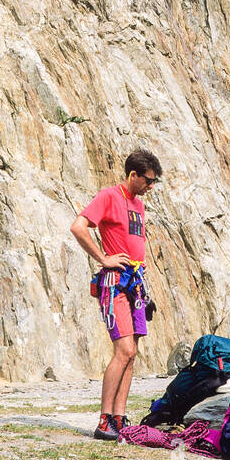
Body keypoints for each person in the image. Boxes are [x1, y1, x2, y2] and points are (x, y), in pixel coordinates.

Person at [70, 149, 162, 442]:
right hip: (115, 281)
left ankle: (119, 418)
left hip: (136, 283)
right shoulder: (109, 196)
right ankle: (104, 418)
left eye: (154, 182)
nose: (151, 187)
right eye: (148, 181)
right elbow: (78, 226)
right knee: (123, 350)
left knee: (132, 354)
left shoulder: (139, 205)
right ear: (133, 174)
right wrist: (103, 257)